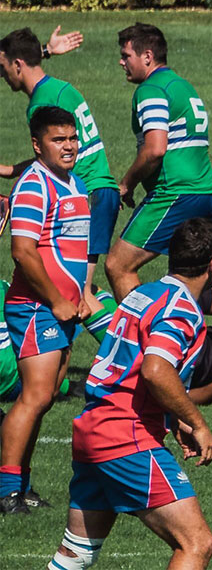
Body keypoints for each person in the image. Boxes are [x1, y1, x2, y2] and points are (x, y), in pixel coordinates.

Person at [50, 217, 212, 570]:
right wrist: (197, 422)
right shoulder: (180, 309)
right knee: (196, 544)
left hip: (92, 428)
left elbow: (135, 366)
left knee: (77, 553)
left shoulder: (143, 295)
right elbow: (155, 369)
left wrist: (172, 416)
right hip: (125, 435)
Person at [1, 106, 89, 512]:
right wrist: (57, 300)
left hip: (62, 309)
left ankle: (21, 484)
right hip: (37, 307)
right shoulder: (35, 185)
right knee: (34, 396)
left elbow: (74, 251)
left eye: (72, 138)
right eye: (59, 139)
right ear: (37, 145)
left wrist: (82, 294)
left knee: (47, 395)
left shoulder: (75, 183)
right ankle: (6, 493)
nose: (69, 146)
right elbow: (22, 252)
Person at [109, 24, 212, 300]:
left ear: (147, 56)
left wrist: (126, 184)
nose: (121, 62)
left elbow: (155, 150)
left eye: (126, 56)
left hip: (175, 193)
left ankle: (148, 338)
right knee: (208, 277)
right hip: (208, 192)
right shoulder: (182, 85)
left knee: (119, 265)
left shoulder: (151, 89)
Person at [1, 27, 117, 298]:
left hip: (83, 194)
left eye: (2, 67)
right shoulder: (61, 88)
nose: (2, 75)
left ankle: (128, 337)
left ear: (17, 65)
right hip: (101, 189)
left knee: (77, 295)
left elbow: (51, 164)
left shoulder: (41, 105)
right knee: (77, 293)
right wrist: (45, 51)